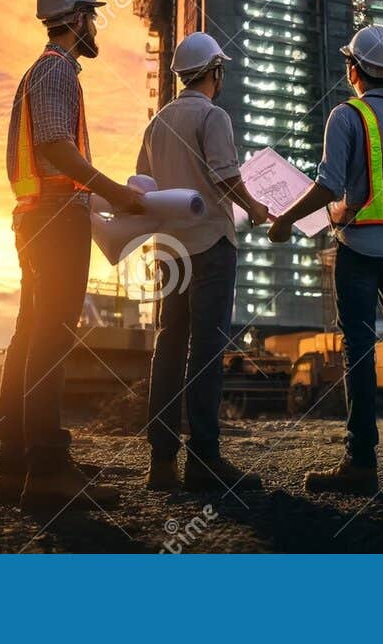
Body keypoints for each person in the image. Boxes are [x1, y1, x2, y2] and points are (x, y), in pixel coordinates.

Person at [268, 26, 383, 495]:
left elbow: (328, 186)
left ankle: (361, 463)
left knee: (359, 352)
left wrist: (285, 220)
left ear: (355, 70)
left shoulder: (346, 116)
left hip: (359, 250)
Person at [0, 0, 146, 514]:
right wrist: (115, 194)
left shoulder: (40, 72)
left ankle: (14, 465)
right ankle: (47, 468)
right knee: (50, 339)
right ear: (76, 18)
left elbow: (49, 156)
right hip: (54, 223)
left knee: (29, 337)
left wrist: (97, 201)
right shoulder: (58, 72)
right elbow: (57, 147)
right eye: (92, 16)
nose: (95, 26)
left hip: (38, 217)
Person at [138, 32, 273, 494]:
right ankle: (204, 460)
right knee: (206, 351)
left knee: (169, 347)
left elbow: (142, 185)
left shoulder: (156, 124)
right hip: (211, 244)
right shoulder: (213, 116)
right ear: (216, 72)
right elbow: (224, 174)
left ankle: (161, 462)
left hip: (169, 250)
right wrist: (255, 208)